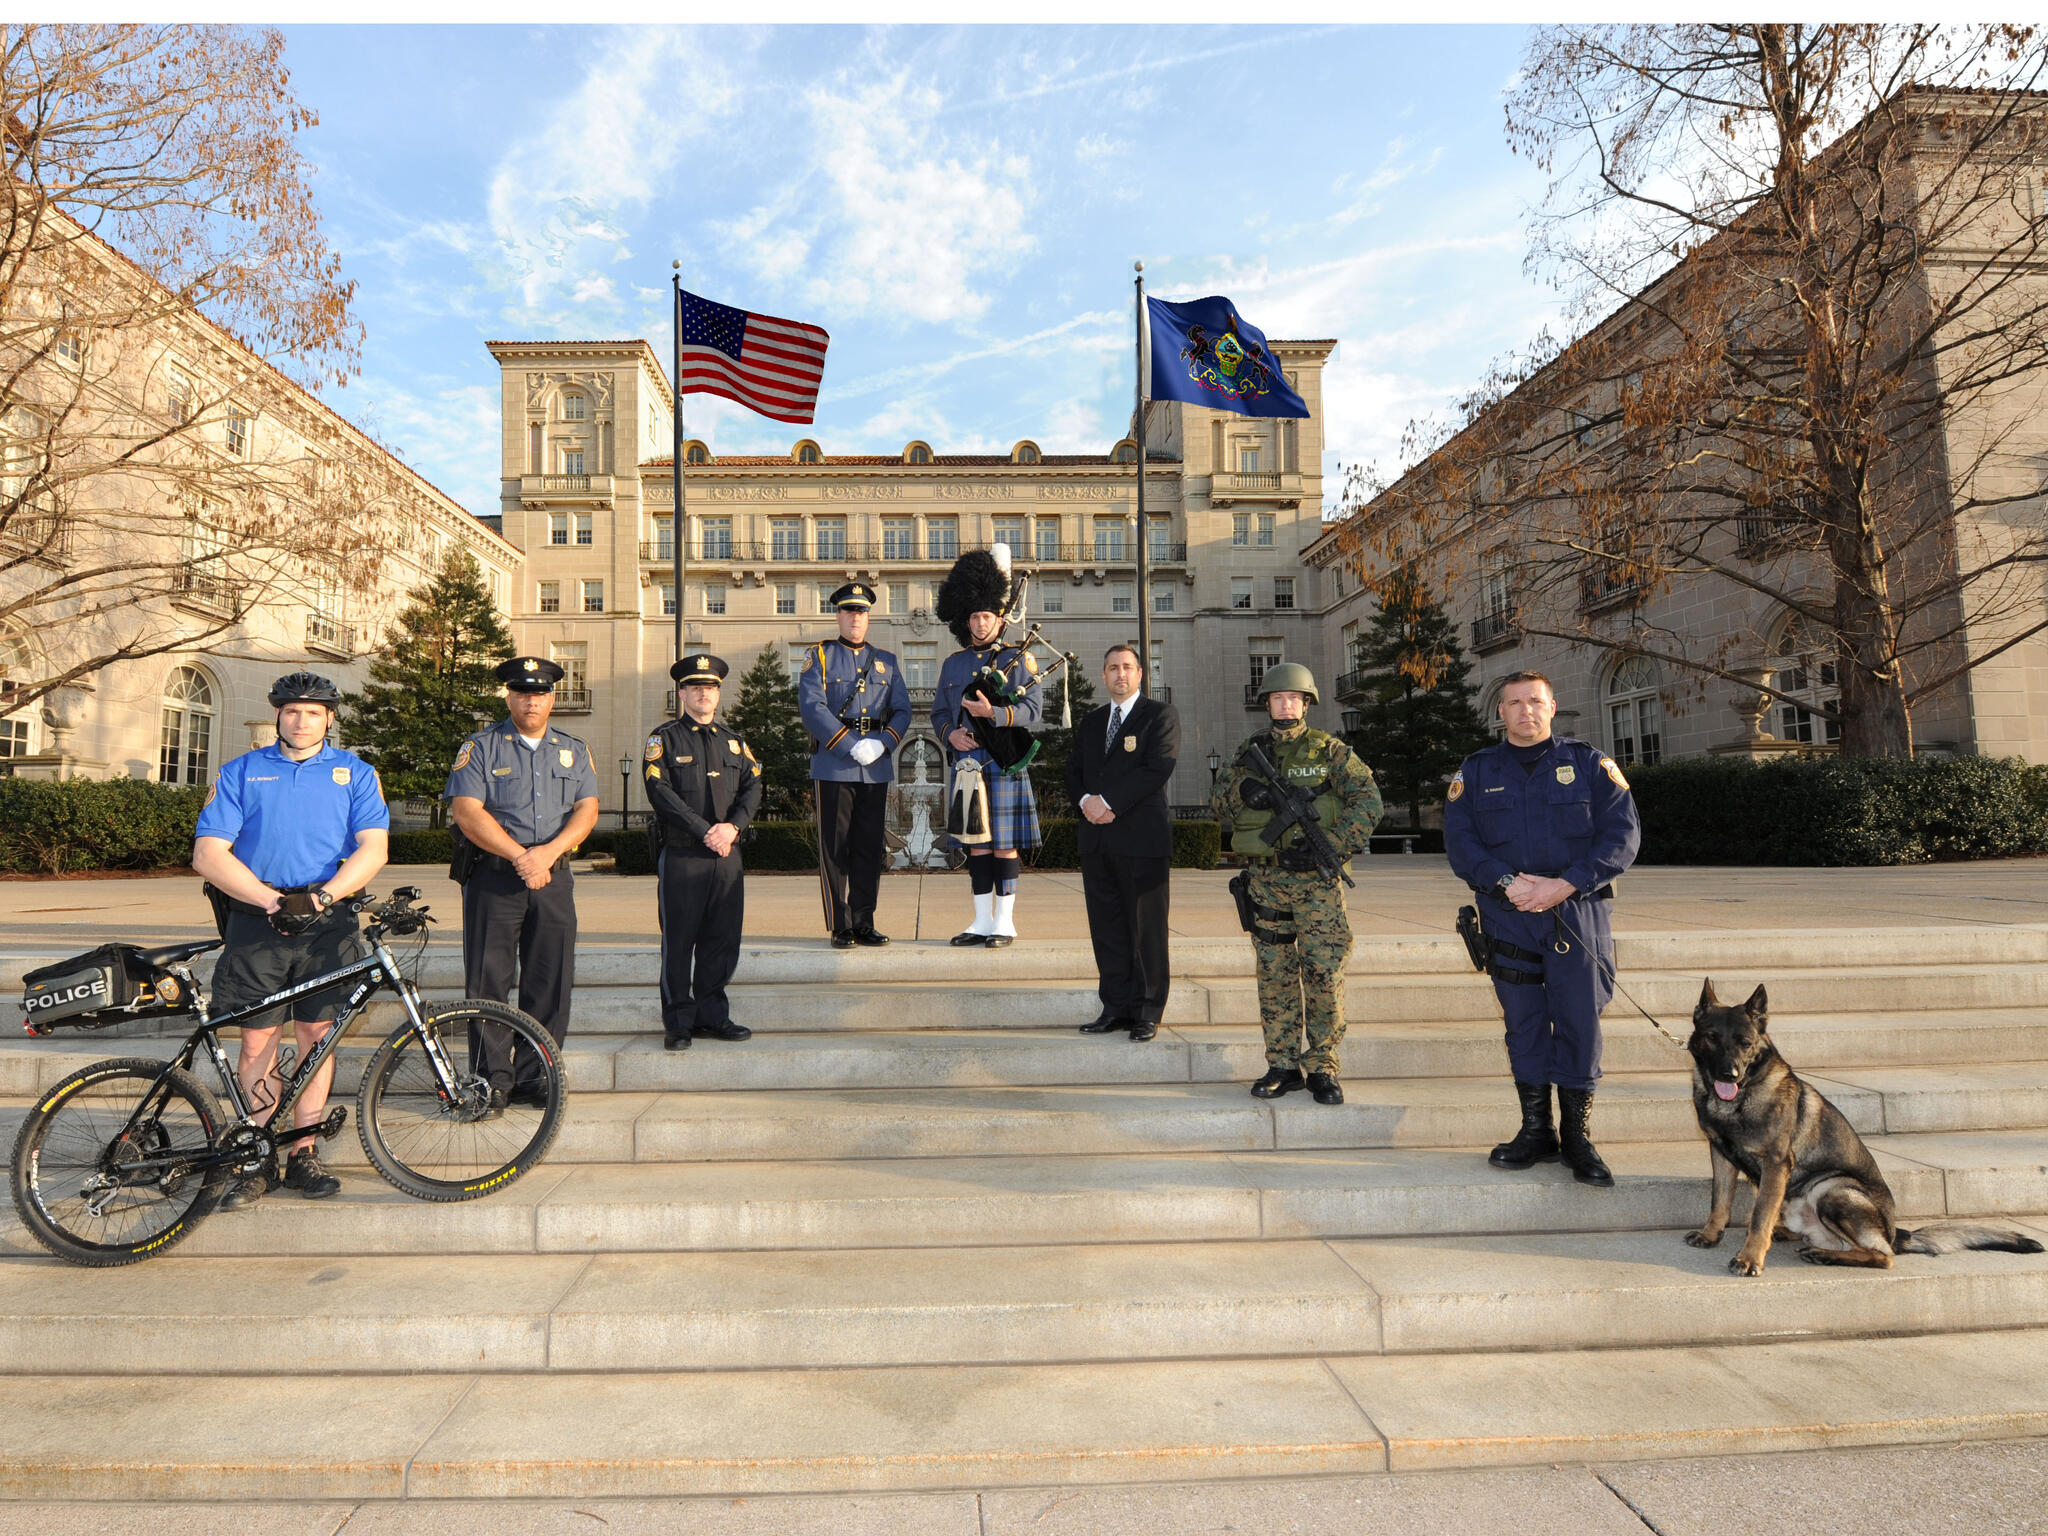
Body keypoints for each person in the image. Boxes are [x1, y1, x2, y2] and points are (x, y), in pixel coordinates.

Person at [191, 671, 390, 1208]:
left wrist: (322, 898)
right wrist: (271, 901)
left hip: (328, 919)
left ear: (330, 719)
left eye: (314, 712)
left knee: (316, 1034)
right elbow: (209, 854)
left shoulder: (357, 773)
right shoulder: (241, 772)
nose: (302, 721)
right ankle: (258, 1156)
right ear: (278, 715)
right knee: (257, 1040)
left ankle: (303, 1148)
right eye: (292, 711)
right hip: (259, 917)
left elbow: (374, 848)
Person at [1442, 669, 1642, 1187]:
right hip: (1509, 915)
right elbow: (1462, 845)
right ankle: (1536, 1130)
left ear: (1553, 708)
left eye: (1535, 701)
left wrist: (1565, 885)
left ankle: (1577, 1137)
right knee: (1524, 1023)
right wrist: (1507, 882)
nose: (1526, 710)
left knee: (1580, 1021)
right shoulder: (1477, 771)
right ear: (1501, 713)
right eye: (1515, 702)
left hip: (1577, 912)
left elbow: (1622, 838)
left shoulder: (1591, 765)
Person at [1210, 663, 1382, 1105]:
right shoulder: (1249, 750)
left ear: (1307, 703)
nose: (1285, 705)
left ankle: (1322, 1065)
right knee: (1275, 975)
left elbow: (1369, 801)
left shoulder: (1330, 751)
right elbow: (1220, 802)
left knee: (1324, 973)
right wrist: (1245, 789)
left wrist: (1335, 844)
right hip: (1266, 880)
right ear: (1266, 702)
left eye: (1294, 698)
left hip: (1317, 883)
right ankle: (1282, 1064)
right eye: (1277, 697)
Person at [443, 656, 601, 1105]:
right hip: (494, 879)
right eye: (521, 693)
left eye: (540, 693)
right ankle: (492, 1081)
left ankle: (536, 1077)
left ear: (552, 698)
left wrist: (548, 854)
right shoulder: (481, 747)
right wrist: (520, 856)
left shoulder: (575, 748)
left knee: (550, 980)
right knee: (488, 982)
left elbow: (586, 809)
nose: (531, 701)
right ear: (509, 697)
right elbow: (467, 811)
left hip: (554, 879)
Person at [644, 653, 762, 1049]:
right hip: (683, 857)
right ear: (682, 692)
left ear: (718, 693)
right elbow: (660, 793)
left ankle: (713, 1015)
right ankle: (678, 1021)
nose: (703, 693)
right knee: (679, 941)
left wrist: (732, 828)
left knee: (722, 939)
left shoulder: (735, 742)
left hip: (726, 856)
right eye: (695, 687)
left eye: (710, 687)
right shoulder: (664, 739)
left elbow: (752, 788)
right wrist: (704, 829)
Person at [1069, 642, 1181, 1042]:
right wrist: (1087, 802)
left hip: (1141, 840)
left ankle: (1148, 1010)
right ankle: (1114, 1007)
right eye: (1113, 667)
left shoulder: (1160, 716)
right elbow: (1074, 771)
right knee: (1108, 928)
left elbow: (1157, 769)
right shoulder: (1092, 722)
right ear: (1104, 675)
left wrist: (1109, 803)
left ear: (1140, 674)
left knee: (1145, 928)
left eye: (1128, 667)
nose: (1120, 674)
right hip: (1097, 840)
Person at [933, 548, 1042, 947]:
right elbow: (939, 714)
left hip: (1004, 760)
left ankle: (1004, 923)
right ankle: (980, 921)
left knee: (1004, 844)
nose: (981, 623)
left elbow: (1033, 710)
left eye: (987, 616)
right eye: (975, 617)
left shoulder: (1018, 658)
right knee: (976, 845)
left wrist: (992, 712)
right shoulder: (952, 664)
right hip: (967, 761)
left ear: (1000, 618)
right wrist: (950, 735)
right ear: (967, 620)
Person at [798, 582, 911, 948]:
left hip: (874, 766)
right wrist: (849, 745)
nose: (855, 618)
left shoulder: (887, 661)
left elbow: (903, 710)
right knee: (836, 847)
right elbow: (812, 707)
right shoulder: (820, 656)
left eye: (861, 612)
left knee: (868, 847)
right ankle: (840, 924)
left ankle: (864, 921)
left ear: (868, 617)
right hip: (834, 764)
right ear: (838, 615)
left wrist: (883, 744)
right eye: (849, 611)